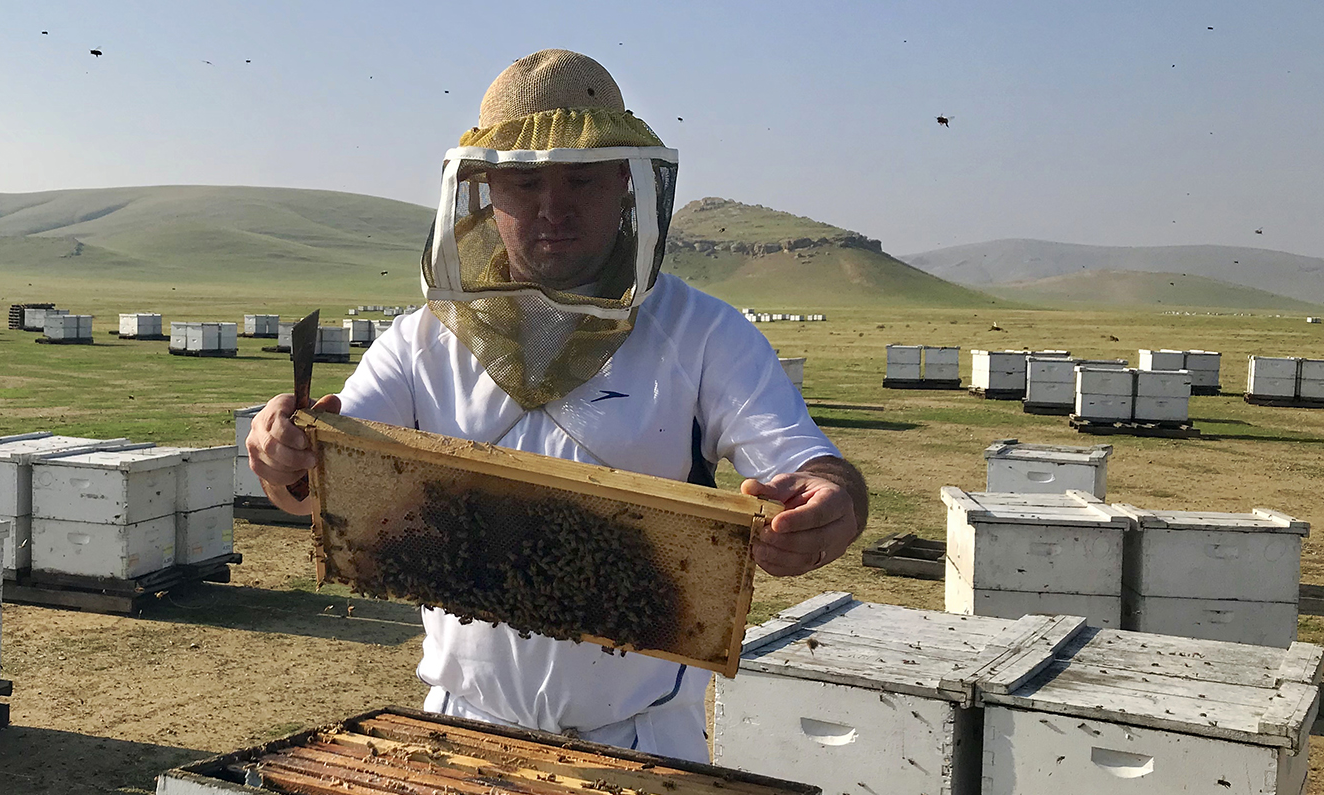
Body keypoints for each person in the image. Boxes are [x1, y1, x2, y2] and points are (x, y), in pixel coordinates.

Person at [246, 49, 867, 762]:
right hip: (458, 730)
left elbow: (815, 470)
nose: (553, 207)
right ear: (484, 191)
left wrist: (829, 504)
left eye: (581, 179)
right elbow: (317, 484)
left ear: (628, 187)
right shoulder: (420, 341)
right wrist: (283, 453)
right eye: (525, 181)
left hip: (646, 742)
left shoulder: (703, 333)